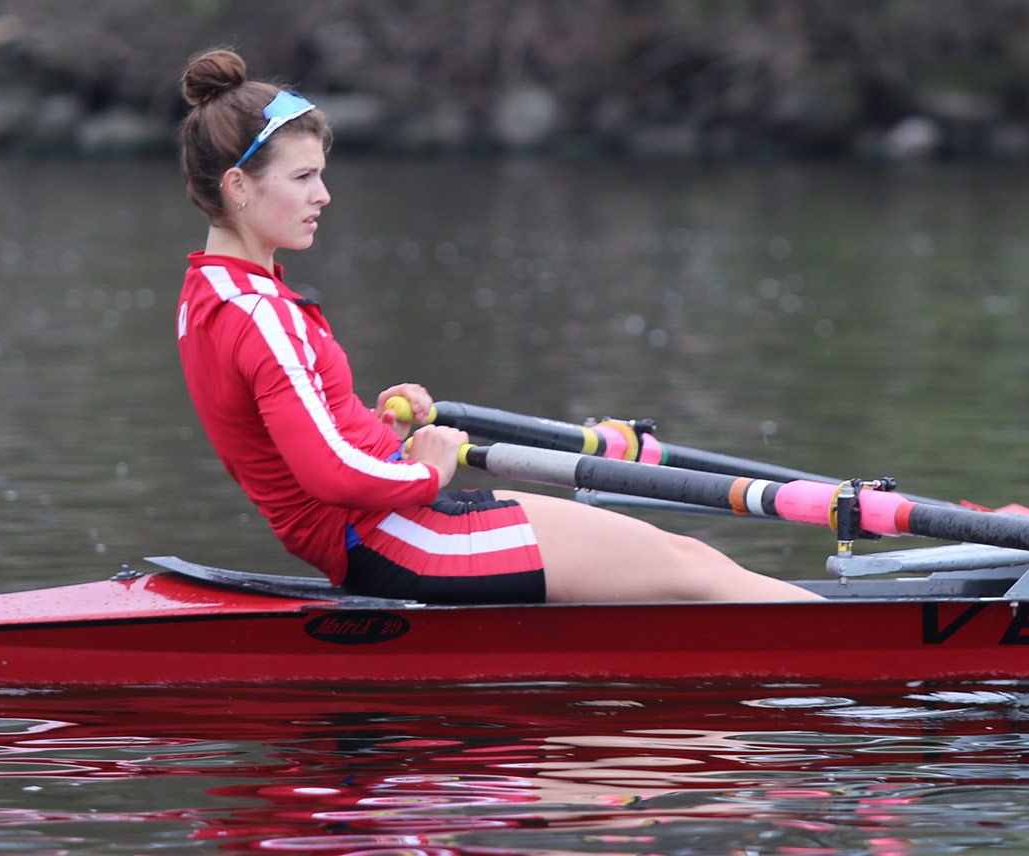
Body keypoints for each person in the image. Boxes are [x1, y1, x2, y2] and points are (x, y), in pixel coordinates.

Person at [174, 48, 818, 604]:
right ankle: (866, 653)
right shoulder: (260, 313)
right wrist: (426, 469)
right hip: (395, 537)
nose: (324, 195)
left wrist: (382, 431)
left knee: (685, 564)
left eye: (321, 174)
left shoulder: (209, 295)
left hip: (384, 527)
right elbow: (329, 477)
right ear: (238, 187)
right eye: (304, 177)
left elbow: (292, 440)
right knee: (692, 569)